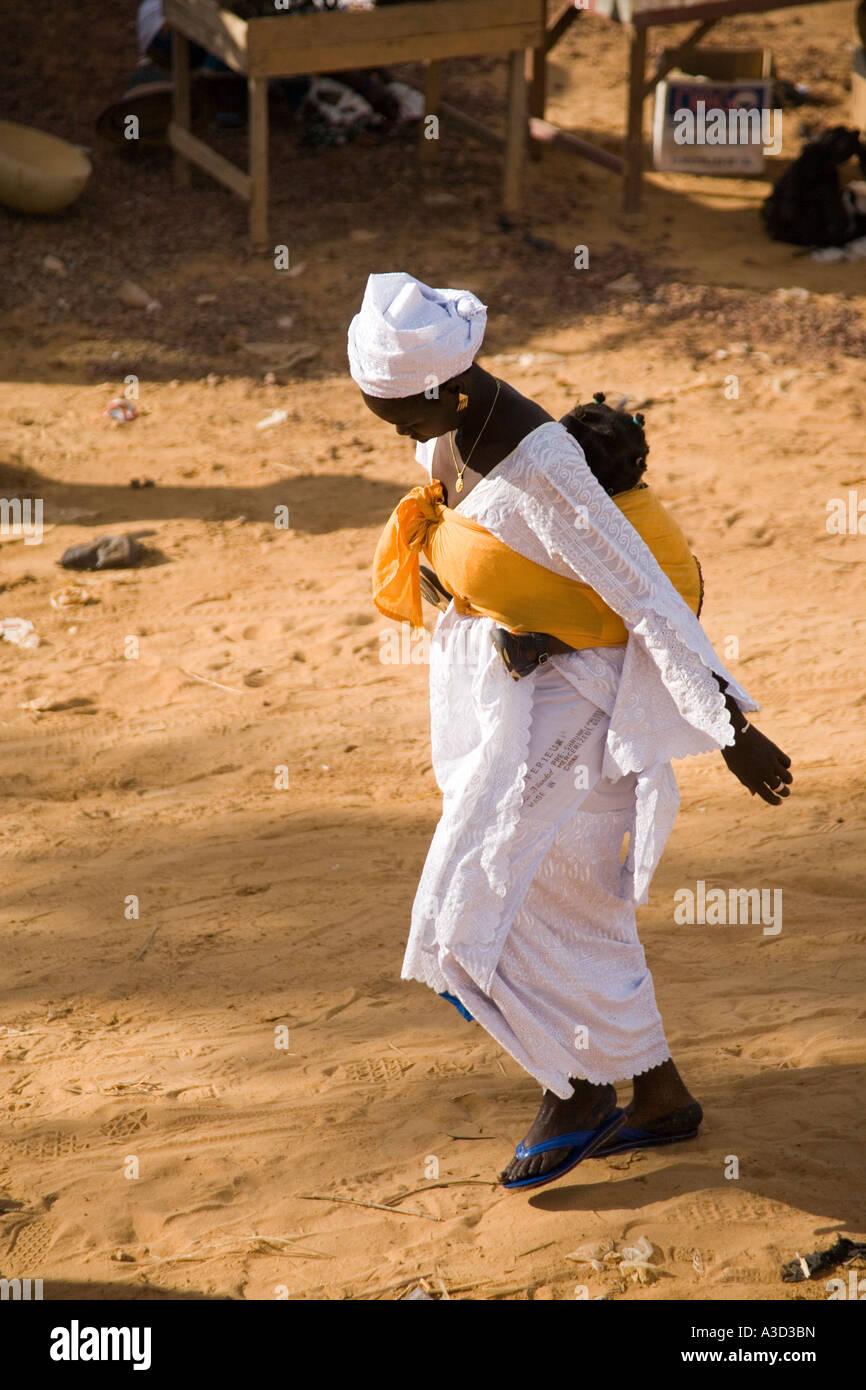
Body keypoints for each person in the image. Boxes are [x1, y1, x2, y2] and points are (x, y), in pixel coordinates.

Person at [348, 271, 793, 1190]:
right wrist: (517, 623)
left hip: (588, 711)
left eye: (398, 413)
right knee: (571, 897)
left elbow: (647, 598)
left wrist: (727, 724)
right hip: (523, 697)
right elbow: (515, 562)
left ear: (449, 386)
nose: (393, 431)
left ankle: (580, 1087)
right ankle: (658, 1094)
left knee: (472, 897)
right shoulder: (453, 424)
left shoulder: (545, 466)